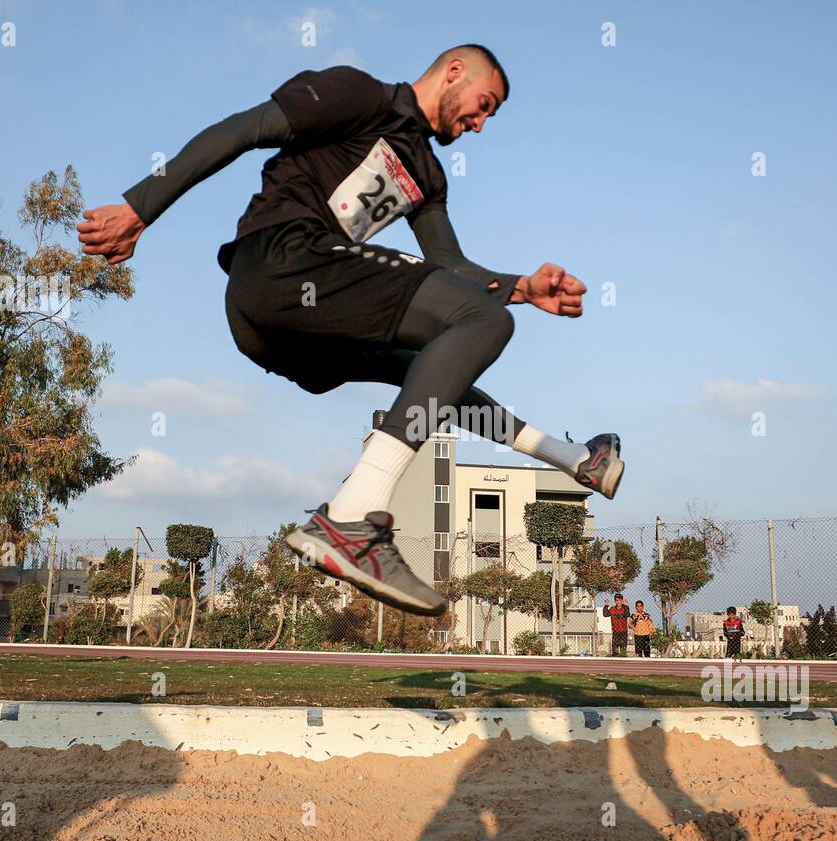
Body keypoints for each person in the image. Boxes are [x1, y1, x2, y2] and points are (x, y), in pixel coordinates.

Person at [79, 44, 623, 618]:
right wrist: (141, 206)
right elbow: (245, 128)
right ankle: (352, 517)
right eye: (483, 105)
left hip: (293, 328)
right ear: (454, 71)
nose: (480, 124)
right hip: (281, 262)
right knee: (482, 321)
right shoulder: (360, 96)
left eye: (490, 118)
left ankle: (572, 459)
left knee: (436, 367)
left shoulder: (428, 176)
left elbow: (453, 268)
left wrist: (522, 286)